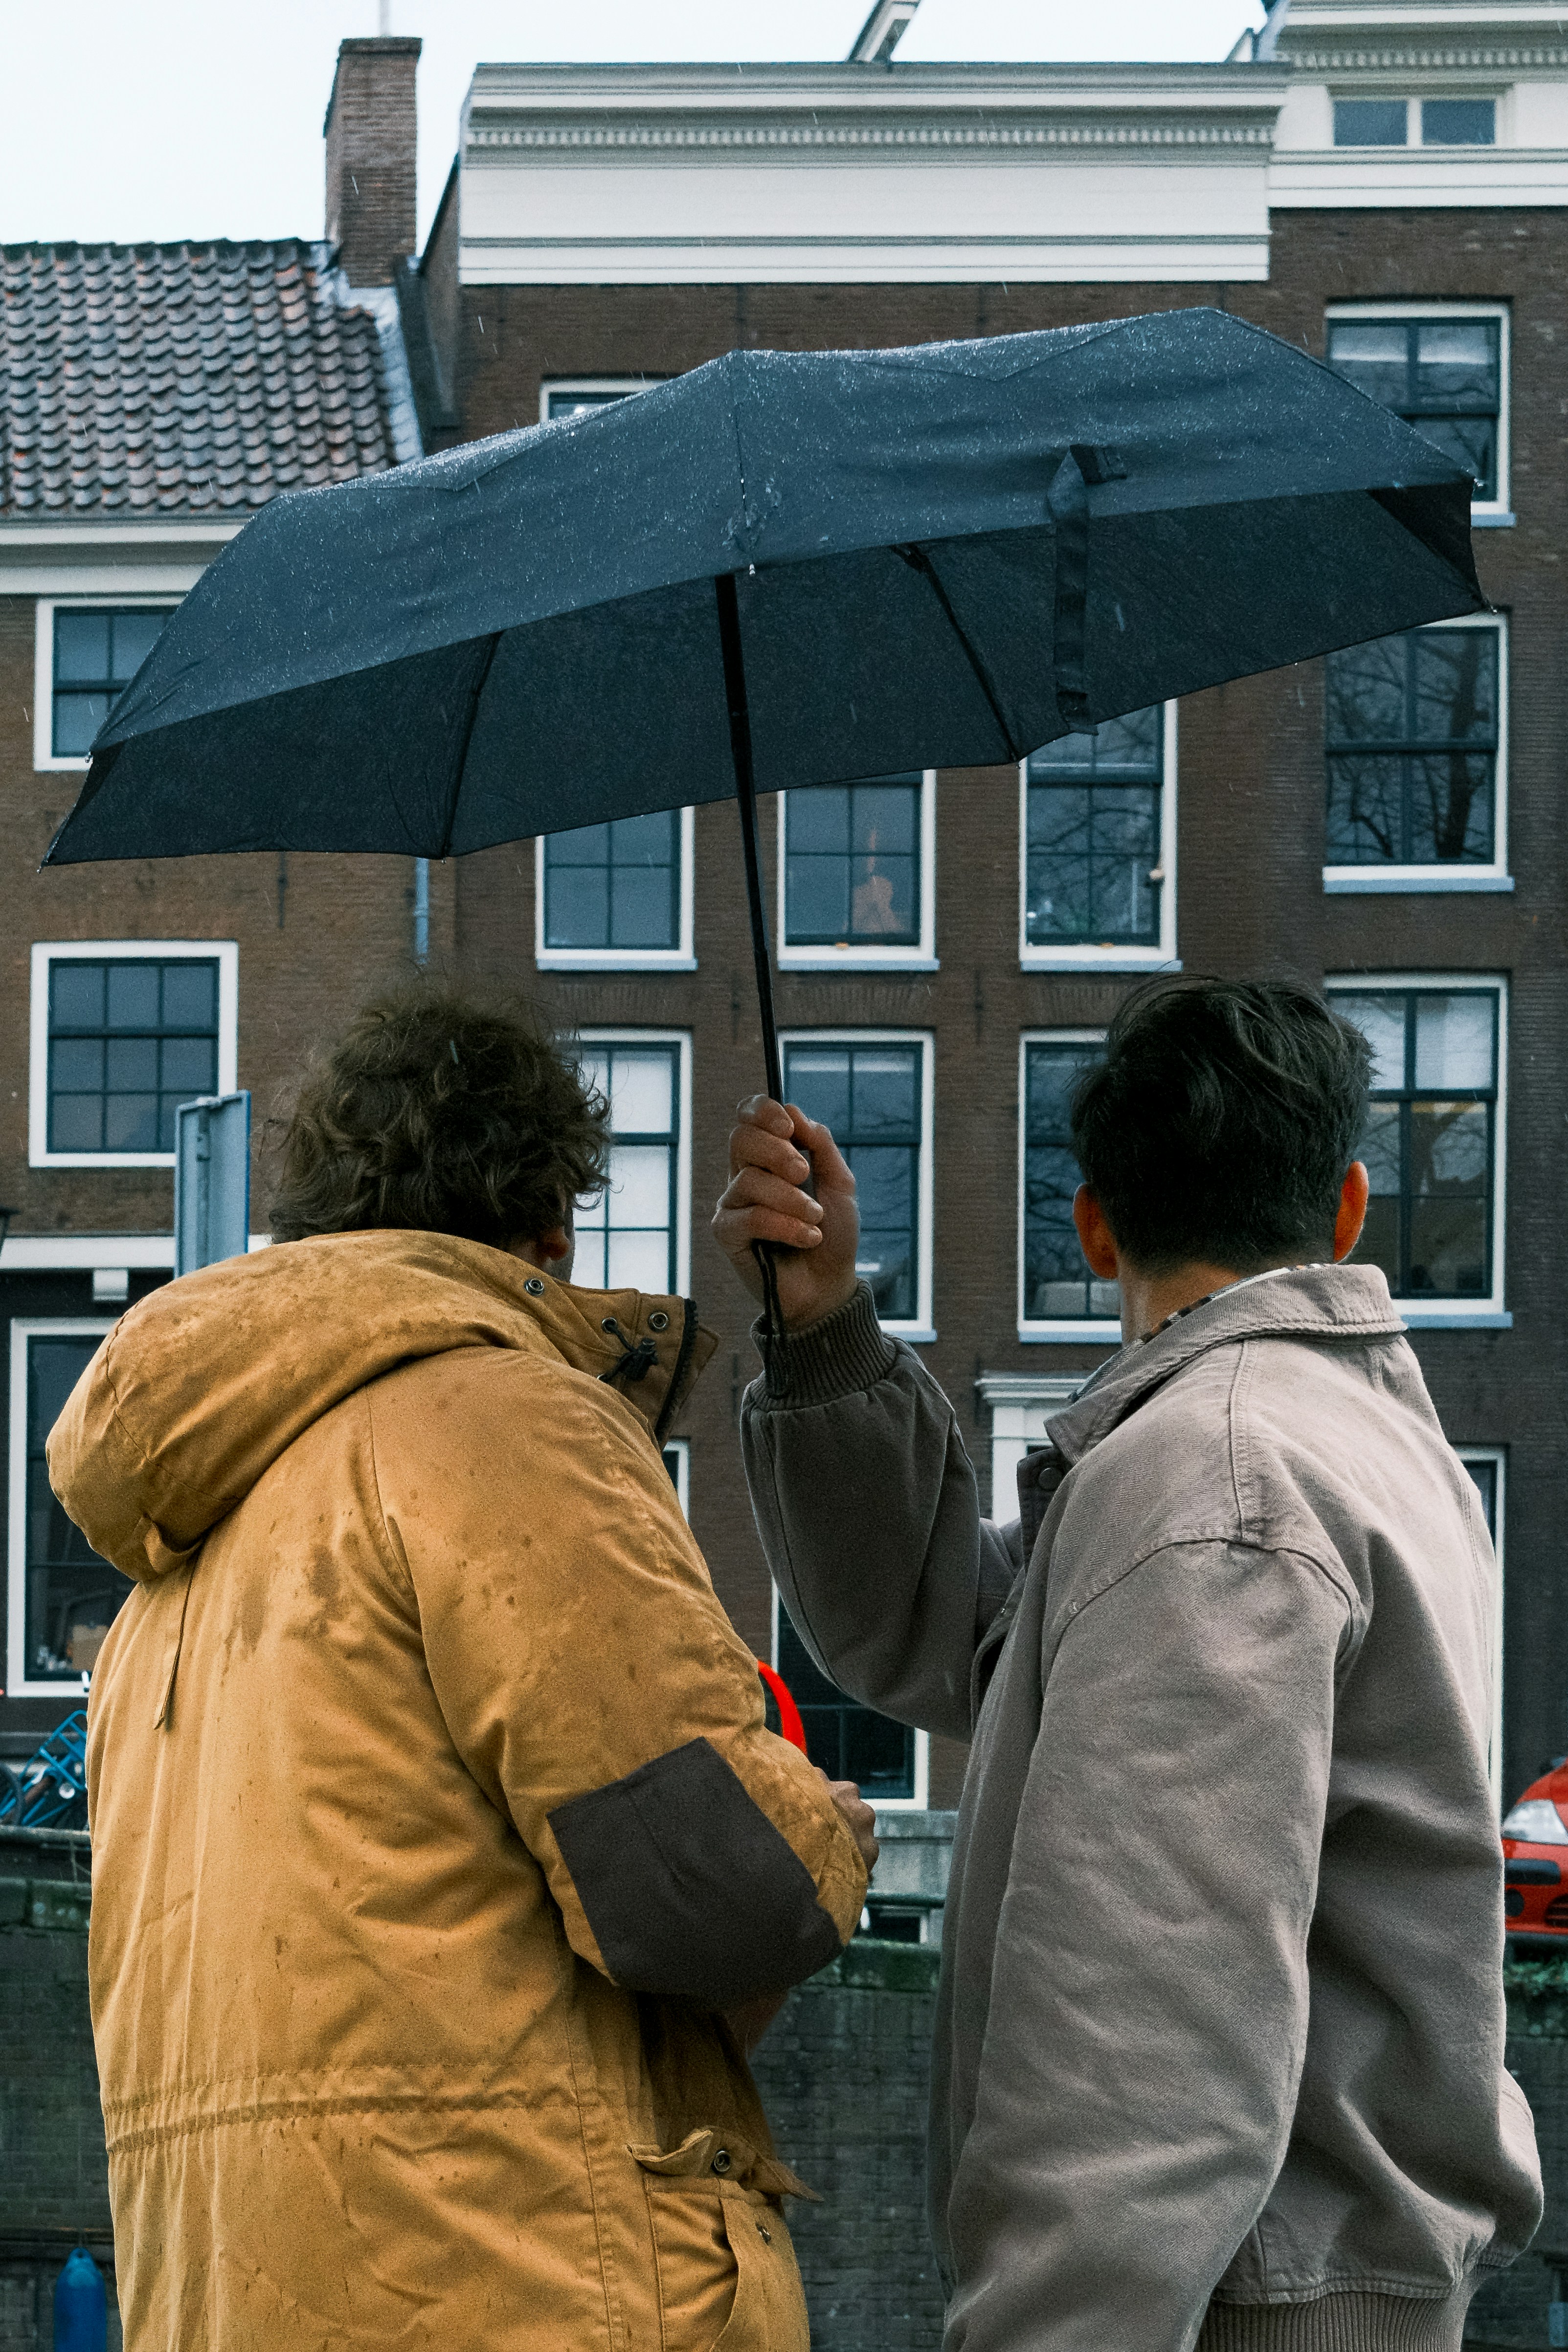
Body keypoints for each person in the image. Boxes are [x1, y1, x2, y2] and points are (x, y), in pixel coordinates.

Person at [714, 976, 1542, 2351]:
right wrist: (824, 1331)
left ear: (1095, 1226)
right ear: (1346, 1207)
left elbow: (1142, 2059)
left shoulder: (1206, 1487)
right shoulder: (1370, 1451)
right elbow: (955, 1626)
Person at [52, 986, 876, 2352]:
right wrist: (817, 1831)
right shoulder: (504, 1422)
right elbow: (715, 1894)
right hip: (523, 2297)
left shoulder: (168, 1564)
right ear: (550, 1222)